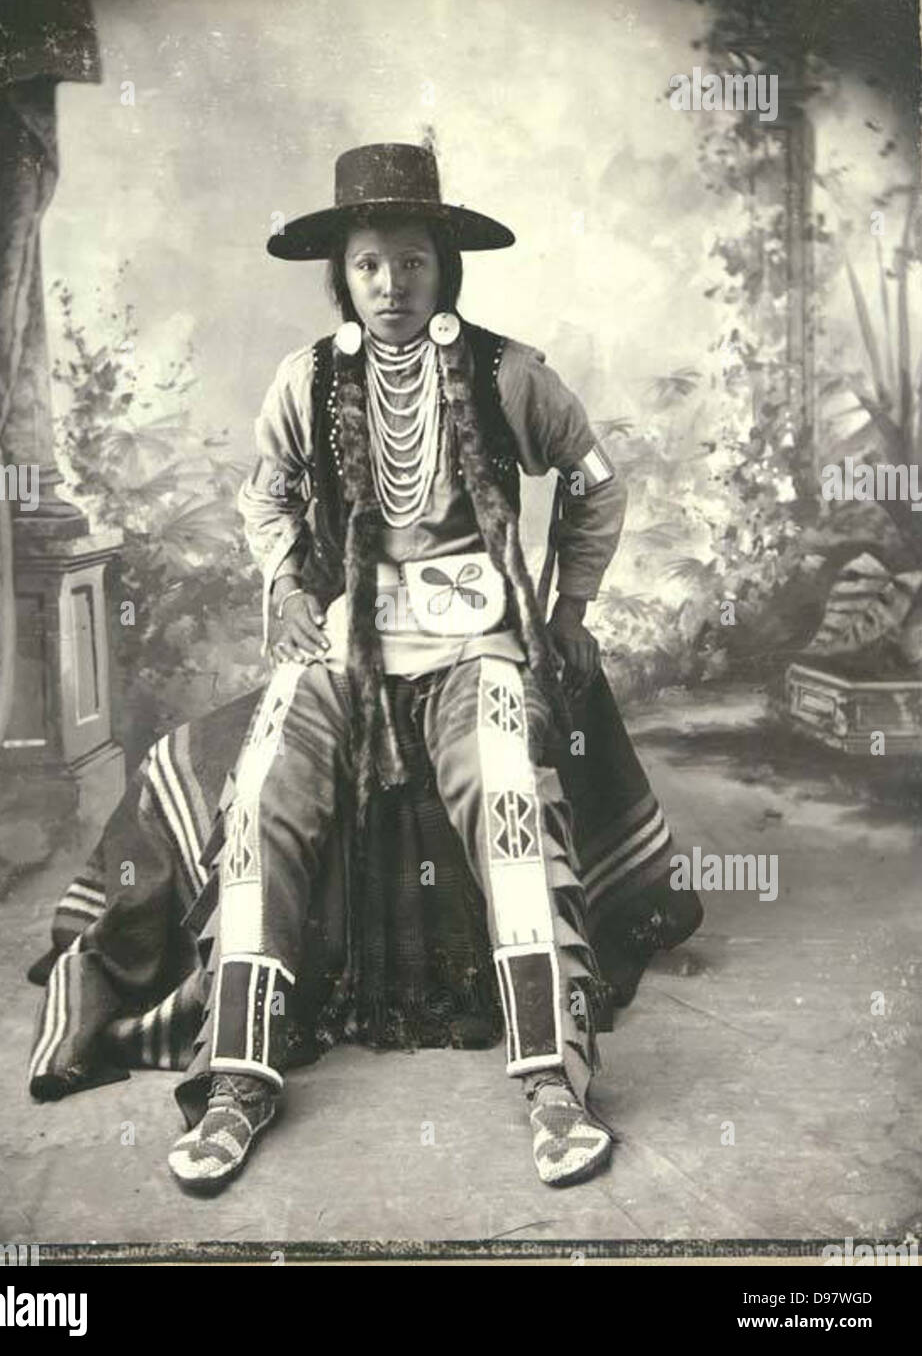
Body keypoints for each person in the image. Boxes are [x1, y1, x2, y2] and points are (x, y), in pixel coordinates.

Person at [167, 141, 630, 1193]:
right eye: (369, 265)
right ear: (342, 271)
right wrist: (288, 590)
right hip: (344, 645)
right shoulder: (304, 379)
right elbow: (265, 494)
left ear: (444, 267)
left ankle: (554, 1086)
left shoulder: (510, 371)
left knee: (506, 791)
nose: (390, 287)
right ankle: (235, 1082)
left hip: (475, 644)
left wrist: (566, 609)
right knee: (261, 791)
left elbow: (597, 484)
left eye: (411, 262)